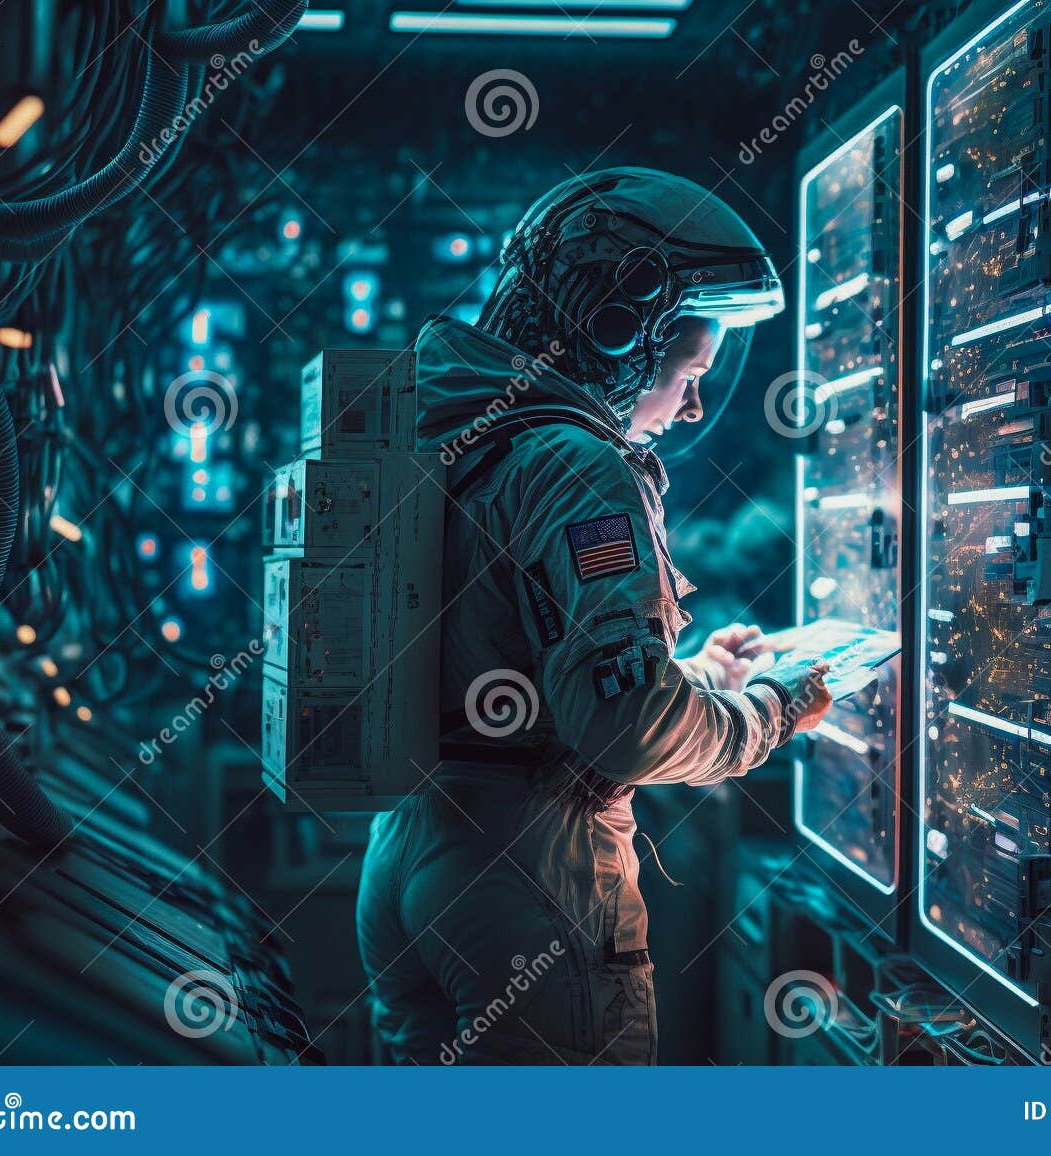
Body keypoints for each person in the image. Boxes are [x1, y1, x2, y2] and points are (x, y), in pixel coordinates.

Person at [355, 167, 831, 1065]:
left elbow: (515, 659)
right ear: (621, 339)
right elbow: (626, 729)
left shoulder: (456, 431)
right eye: (690, 373)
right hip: (528, 879)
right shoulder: (580, 463)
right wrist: (770, 711)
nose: (694, 405)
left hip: (409, 852)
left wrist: (704, 678)